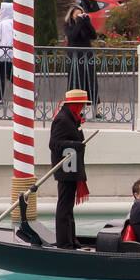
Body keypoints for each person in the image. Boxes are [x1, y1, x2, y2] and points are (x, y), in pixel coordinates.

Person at [49, 88, 90, 249]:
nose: (82, 108)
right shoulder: (62, 119)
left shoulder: (72, 118)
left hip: (72, 169)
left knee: (68, 207)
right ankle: (64, 242)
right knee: (64, 207)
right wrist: (75, 145)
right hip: (65, 170)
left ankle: (71, 240)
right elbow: (54, 144)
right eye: (81, 105)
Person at [64, 4, 102, 119]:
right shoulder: (68, 25)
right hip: (75, 58)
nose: (79, 16)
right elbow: (73, 36)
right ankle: (78, 110)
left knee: (91, 82)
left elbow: (93, 36)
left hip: (87, 57)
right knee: (77, 83)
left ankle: (96, 111)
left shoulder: (84, 24)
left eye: (81, 14)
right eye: (77, 14)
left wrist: (87, 22)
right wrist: (79, 23)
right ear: (72, 16)